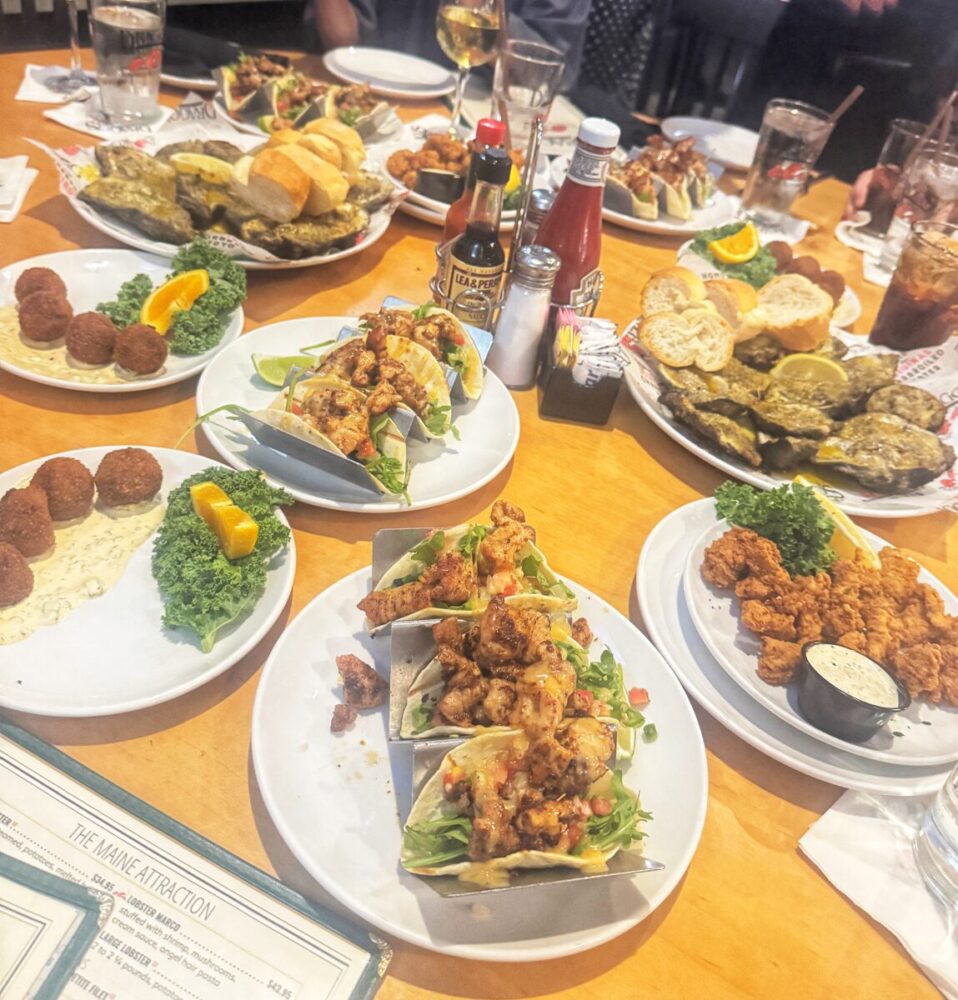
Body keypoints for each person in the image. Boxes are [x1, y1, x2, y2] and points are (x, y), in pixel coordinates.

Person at [313, 0, 591, 87]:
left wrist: (483, 7)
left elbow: (551, 74)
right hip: (374, 94)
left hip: (483, 122)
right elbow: (344, 41)